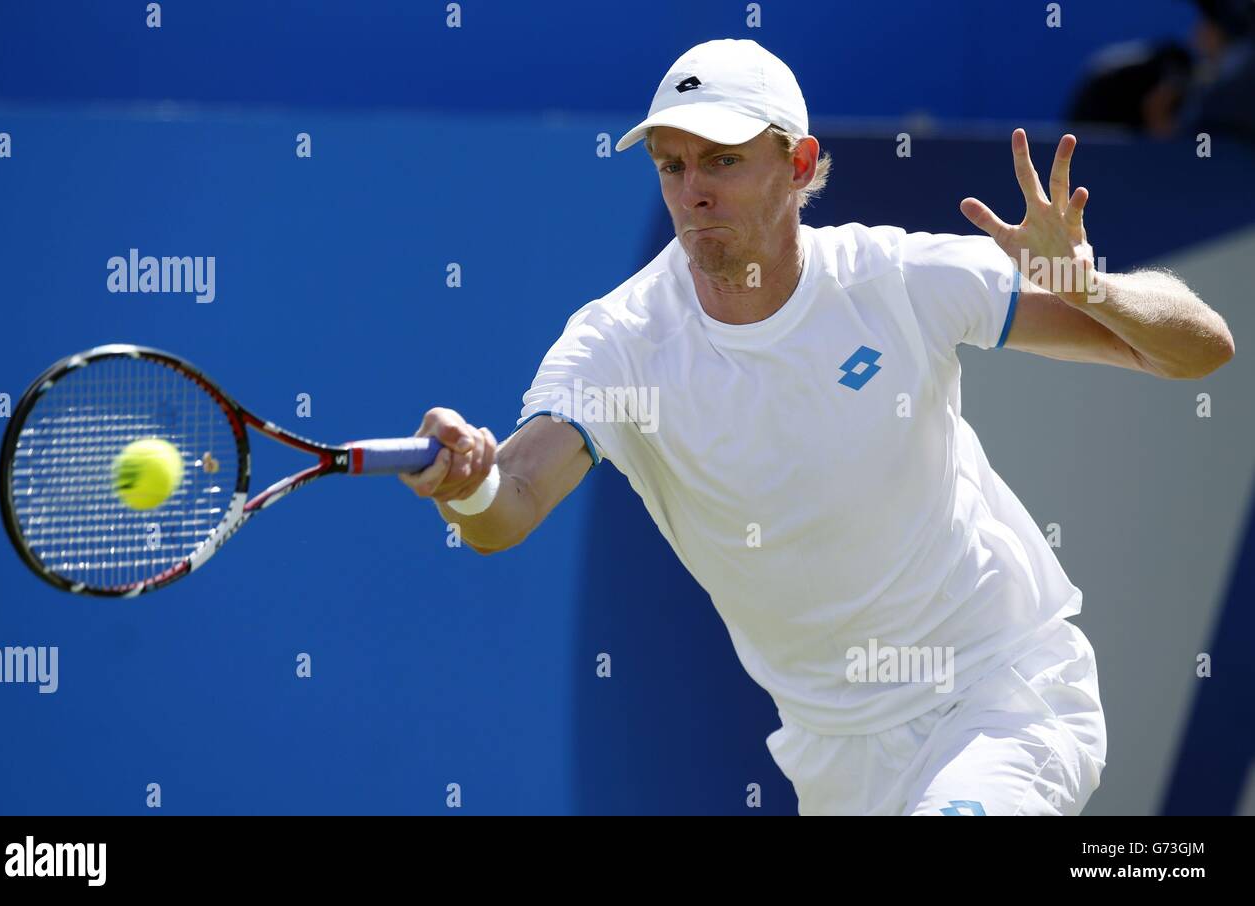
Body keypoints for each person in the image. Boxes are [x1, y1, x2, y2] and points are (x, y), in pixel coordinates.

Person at [400, 39, 1234, 815]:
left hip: (1002, 694)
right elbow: (510, 505)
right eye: (672, 165)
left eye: (723, 160)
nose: (694, 190)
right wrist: (469, 487)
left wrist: (1091, 288)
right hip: (833, 761)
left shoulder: (899, 279)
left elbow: (1199, 351)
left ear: (797, 165)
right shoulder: (616, 345)